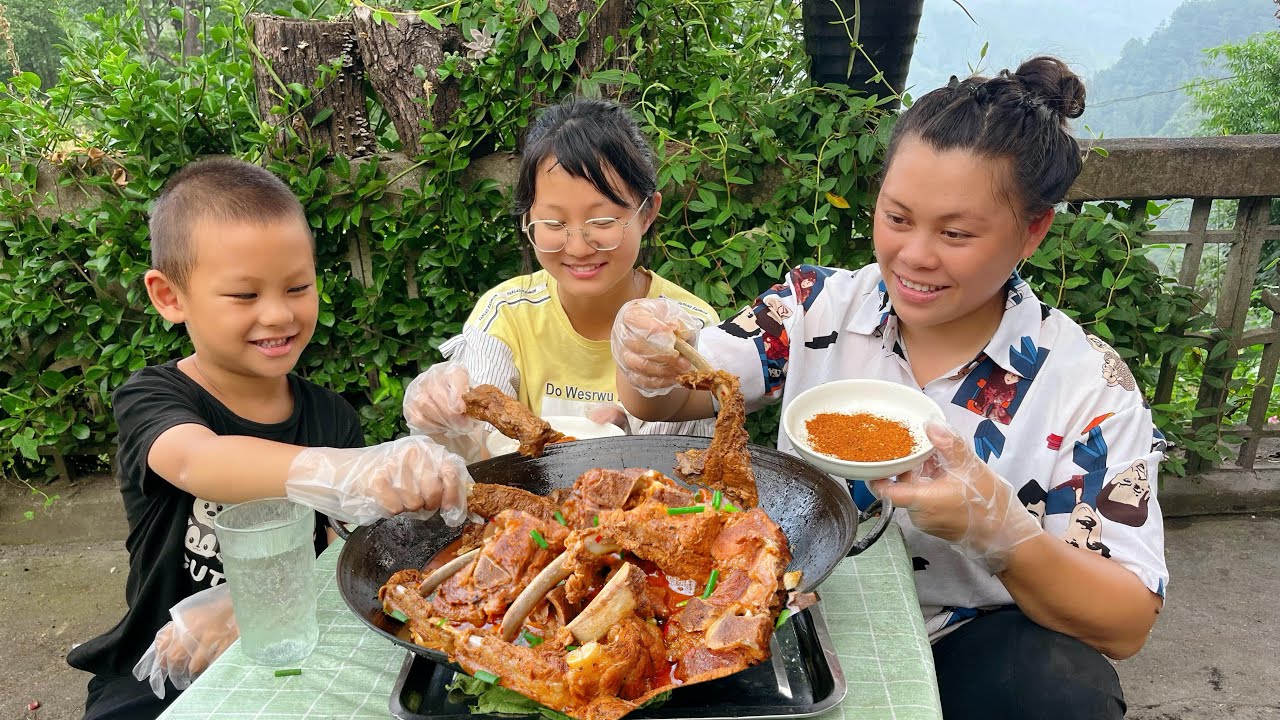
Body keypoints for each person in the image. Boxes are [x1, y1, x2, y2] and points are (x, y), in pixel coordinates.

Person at [610, 57, 1167, 719]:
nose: (915, 256)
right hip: (789, 601)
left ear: (1033, 230)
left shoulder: (1087, 387)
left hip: (969, 644)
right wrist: (642, 347)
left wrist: (1001, 533)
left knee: (1061, 687)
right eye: (898, 218)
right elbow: (675, 395)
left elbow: (1127, 622)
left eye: (955, 233)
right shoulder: (813, 309)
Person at [67, 158, 473, 720]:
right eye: (243, 295)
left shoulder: (331, 417)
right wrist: (347, 472)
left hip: (290, 653)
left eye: (297, 286)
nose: (278, 314)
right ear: (169, 297)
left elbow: (337, 552)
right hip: (159, 668)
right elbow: (197, 460)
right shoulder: (154, 397)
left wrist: (244, 605)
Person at [402, 97, 717, 457]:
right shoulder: (504, 315)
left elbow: (689, 467)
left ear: (648, 213)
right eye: (553, 223)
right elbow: (475, 452)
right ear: (527, 220)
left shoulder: (689, 326)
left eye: (602, 221)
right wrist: (440, 414)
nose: (579, 247)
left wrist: (630, 441)